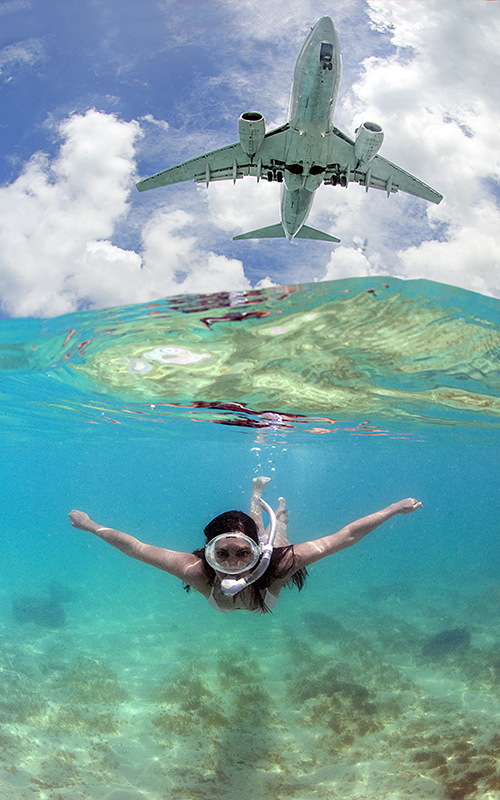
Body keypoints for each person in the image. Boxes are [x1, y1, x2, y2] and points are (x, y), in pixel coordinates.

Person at [68, 477, 422, 614]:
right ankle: (257, 496)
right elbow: (135, 547)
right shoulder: (193, 569)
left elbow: (346, 536)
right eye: (222, 553)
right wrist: (90, 526)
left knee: (279, 537)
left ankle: (276, 515)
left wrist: (393, 509)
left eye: (243, 553)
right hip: (256, 559)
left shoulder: (279, 563)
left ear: (256, 553)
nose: (233, 563)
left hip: (268, 554)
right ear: (208, 551)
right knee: (261, 532)